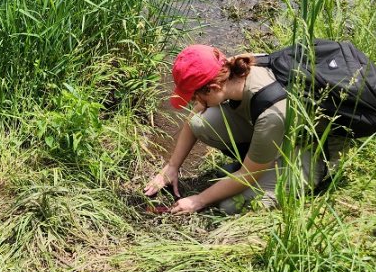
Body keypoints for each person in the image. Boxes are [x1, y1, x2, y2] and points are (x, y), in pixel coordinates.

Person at [144, 44, 347, 215]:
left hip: (315, 148)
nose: (195, 102)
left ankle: (296, 170)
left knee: (229, 204)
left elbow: (248, 176)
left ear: (213, 88)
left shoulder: (271, 113)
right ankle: (262, 159)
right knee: (201, 122)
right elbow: (193, 120)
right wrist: (172, 166)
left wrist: (198, 200)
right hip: (280, 131)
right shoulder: (231, 68)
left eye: (196, 97)